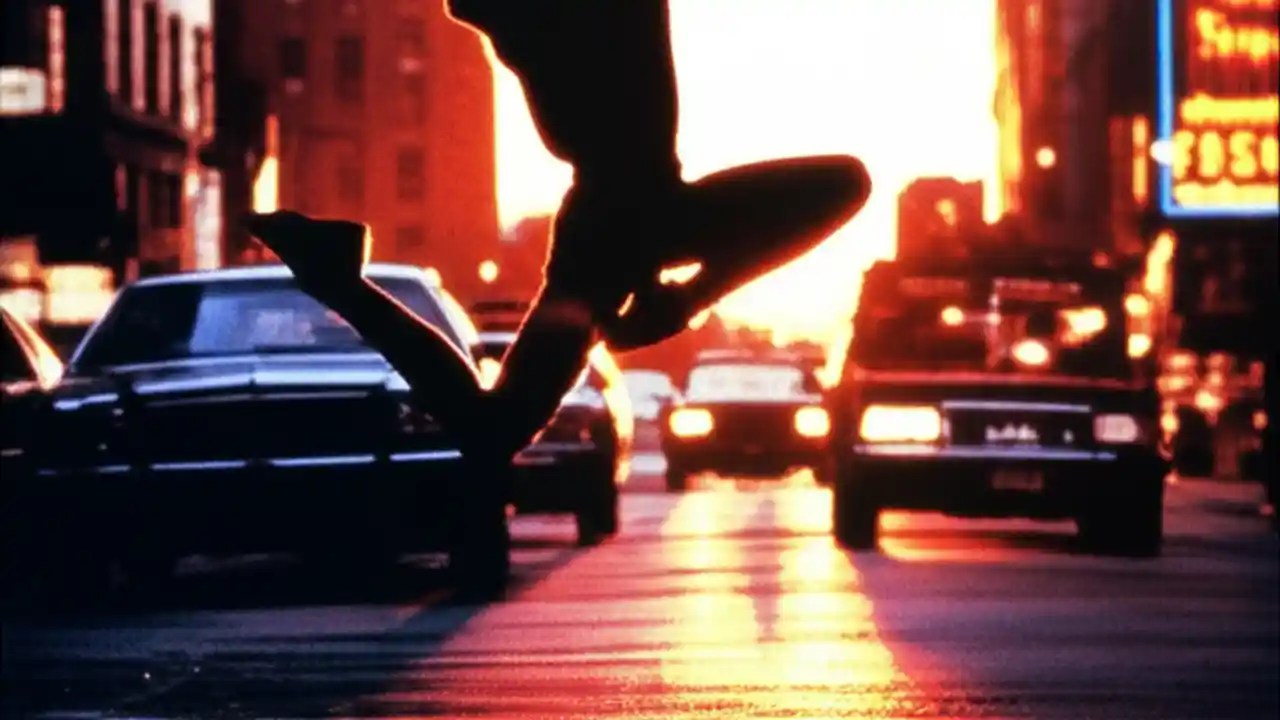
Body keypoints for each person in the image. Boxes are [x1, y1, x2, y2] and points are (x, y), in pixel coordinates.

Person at [246, 0, 871, 466]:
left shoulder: (536, 26)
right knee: (844, 182)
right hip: (621, 219)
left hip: (614, 222)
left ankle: (339, 279)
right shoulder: (540, 24)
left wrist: (688, 296)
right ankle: (340, 280)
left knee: (491, 428)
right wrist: (686, 297)